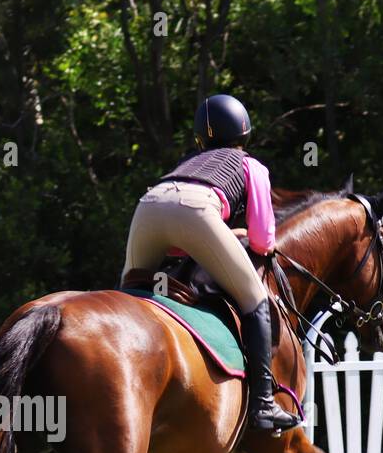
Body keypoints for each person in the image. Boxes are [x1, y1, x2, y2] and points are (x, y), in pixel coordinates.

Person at [123, 93, 300, 432]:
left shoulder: (187, 161)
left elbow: (176, 246)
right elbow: (264, 241)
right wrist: (232, 234)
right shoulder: (251, 166)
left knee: (126, 298)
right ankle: (263, 403)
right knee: (255, 299)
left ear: (199, 139)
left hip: (148, 204)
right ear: (245, 133)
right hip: (197, 210)